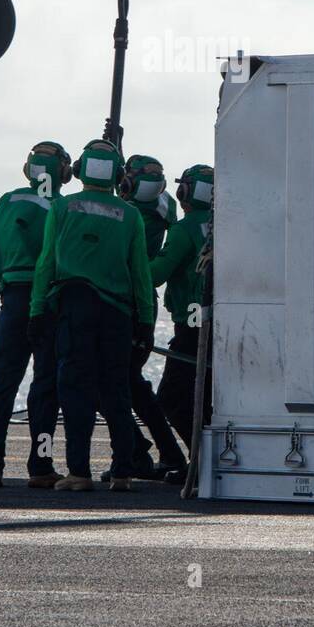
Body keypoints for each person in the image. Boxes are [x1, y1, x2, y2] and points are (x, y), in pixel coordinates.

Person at [28, 139, 154, 492]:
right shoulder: (129, 215)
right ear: (118, 175)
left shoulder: (62, 207)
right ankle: (124, 472)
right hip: (117, 313)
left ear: (80, 170)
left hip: (73, 308)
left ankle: (79, 472)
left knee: (74, 389)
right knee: (116, 390)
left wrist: (37, 311)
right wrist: (145, 321)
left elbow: (46, 265)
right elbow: (140, 273)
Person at [0, 142, 71, 489]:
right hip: (47, 302)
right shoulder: (64, 208)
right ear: (64, 173)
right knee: (45, 388)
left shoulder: (8, 201)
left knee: (2, 383)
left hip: (12, 301)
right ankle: (40, 464)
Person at [101, 156, 186, 483]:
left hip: (121, 299)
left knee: (110, 384)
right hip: (141, 302)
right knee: (132, 385)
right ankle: (157, 451)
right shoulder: (161, 206)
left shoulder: (127, 211)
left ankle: (138, 451)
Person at [150, 164, 214, 479]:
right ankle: (207, 461)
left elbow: (157, 274)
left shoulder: (184, 229)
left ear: (185, 192)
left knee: (171, 398)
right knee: (206, 399)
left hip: (190, 328)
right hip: (220, 324)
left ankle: (202, 462)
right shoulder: (228, 224)